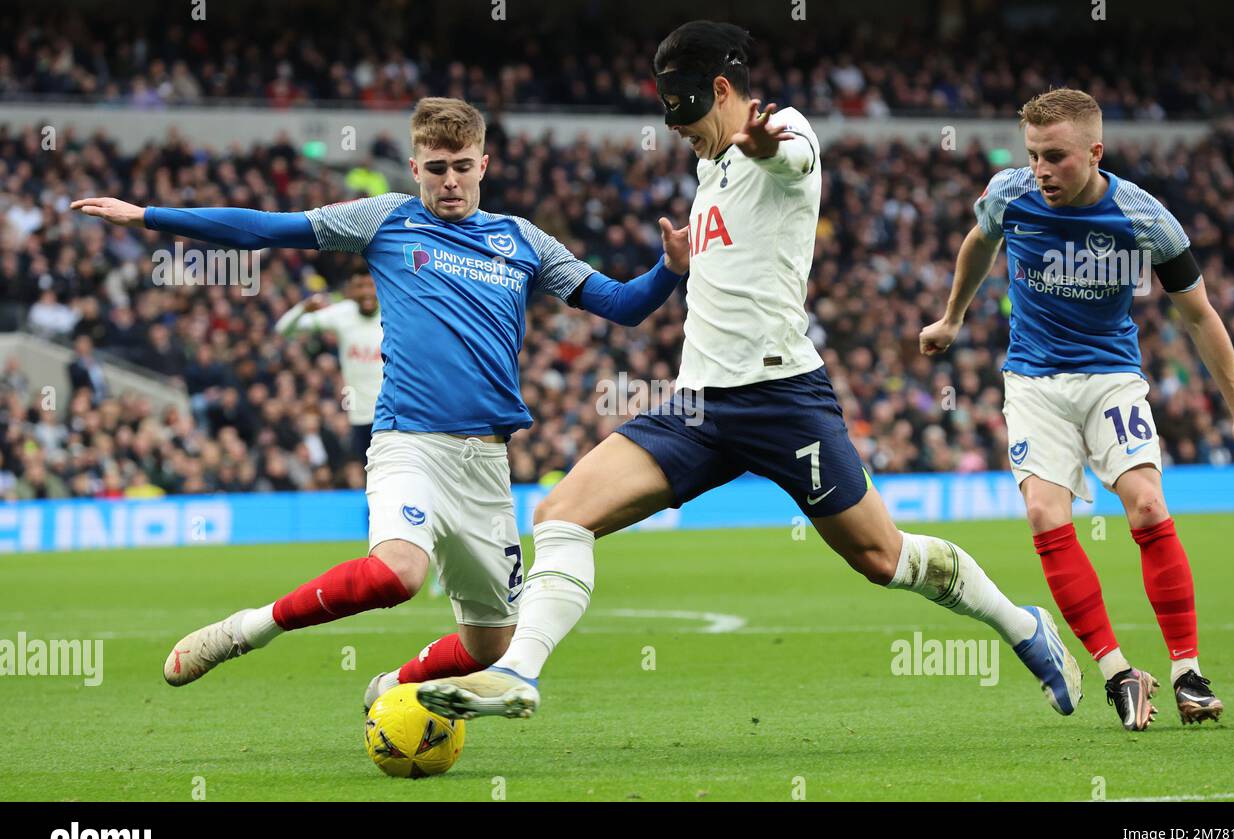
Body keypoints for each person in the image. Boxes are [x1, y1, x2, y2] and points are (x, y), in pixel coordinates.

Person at [415, 21, 1081, 724]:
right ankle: (519, 673)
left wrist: (765, 145)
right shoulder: (708, 171)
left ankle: (1023, 625)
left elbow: (789, 159)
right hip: (699, 406)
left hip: (781, 398)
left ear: (724, 89)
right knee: (560, 514)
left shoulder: (785, 133)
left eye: (686, 112)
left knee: (883, 560)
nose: (677, 130)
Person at [72, 97, 689, 696]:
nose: (451, 182)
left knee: (492, 643)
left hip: (486, 464)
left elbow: (621, 305)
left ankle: (393, 687)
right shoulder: (388, 219)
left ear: (484, 165)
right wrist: (149, 216)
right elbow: (264, 229)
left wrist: (669, 268)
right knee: (398, 574)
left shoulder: (521, 240)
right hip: (409, 442)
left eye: (463, 166)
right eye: (437, 168)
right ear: (417, 167)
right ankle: (248, 629)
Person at [919, 88, 1234, 730]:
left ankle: (1188, 673)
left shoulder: (1146, 220)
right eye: (1033, 156)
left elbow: (1200, 316)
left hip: (1112, 378)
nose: (1041, 170)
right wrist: (952, 317)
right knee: (1043, 514)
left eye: (1056, 157)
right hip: (1032, 383)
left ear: (1094, 152)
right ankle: (1117, 673)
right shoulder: (1009, 194)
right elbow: (978, 242)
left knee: (1148, 506)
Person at [275, 261, 383, 459]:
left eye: (371, 285)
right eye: (360, 286)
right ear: (351, 290)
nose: (366, 292)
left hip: (390, 416)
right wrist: (303, 308)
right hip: (360, 416)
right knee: (369, 480)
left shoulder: (392, 312)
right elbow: (283, 329)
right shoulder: (343, 313)